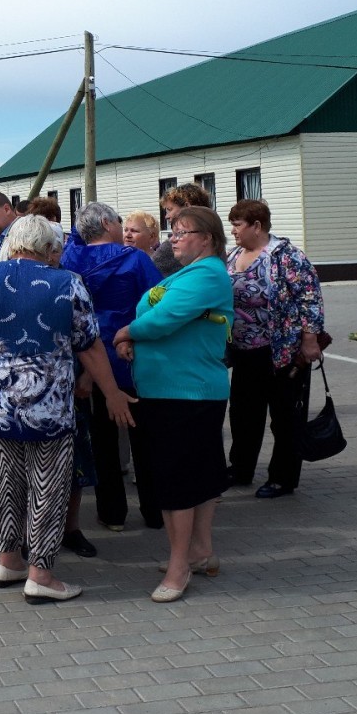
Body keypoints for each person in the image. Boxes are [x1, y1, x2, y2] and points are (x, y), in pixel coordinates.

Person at [0, 216, 135, 604]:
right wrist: (111, 392)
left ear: (13, 244)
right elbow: (90, 346)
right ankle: (41, 574)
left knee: (4, 482)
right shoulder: (67, 283)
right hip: (48, 405)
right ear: (49, 249)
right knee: (48, 487)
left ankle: (8, 559)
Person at [114, 206, 233, 603]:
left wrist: (125, 332)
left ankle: (180, 565)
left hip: (185, 392)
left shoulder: (208, 273)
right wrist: (136, 337)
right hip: (171, 390)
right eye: (173, 230)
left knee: (175, 482)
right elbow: (161, 315)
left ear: (209, 238)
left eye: (183, 231)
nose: (174, 238)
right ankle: (201, 551)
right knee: (193, 477)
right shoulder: (189, 273)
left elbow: (166, 318)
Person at [60, 202, 164, 535]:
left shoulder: (70, 260)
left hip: (89, 360)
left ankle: (112, 513)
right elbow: (158, 302)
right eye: (119, 221)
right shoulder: (136, 259)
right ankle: (154, 510)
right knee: (146, 438)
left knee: (103, 442)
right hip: (131, 355)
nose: (122, 227)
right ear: (107, 223)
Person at [224, 199, 325, 498]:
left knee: (284, 417)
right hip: (243, 352)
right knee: (243, 414)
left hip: (281, 352)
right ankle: (240, 468)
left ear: (257, 225)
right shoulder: (233, 256)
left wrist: (309, 341)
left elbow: (310, 299)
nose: (233, 231)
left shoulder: (286, 256)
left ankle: (283, 477)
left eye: (238, 225)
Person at [150, 184, 213, 277]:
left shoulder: (173, 246)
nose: (166, 216)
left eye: (169, 209)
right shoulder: (215, 240)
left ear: (187, 207)